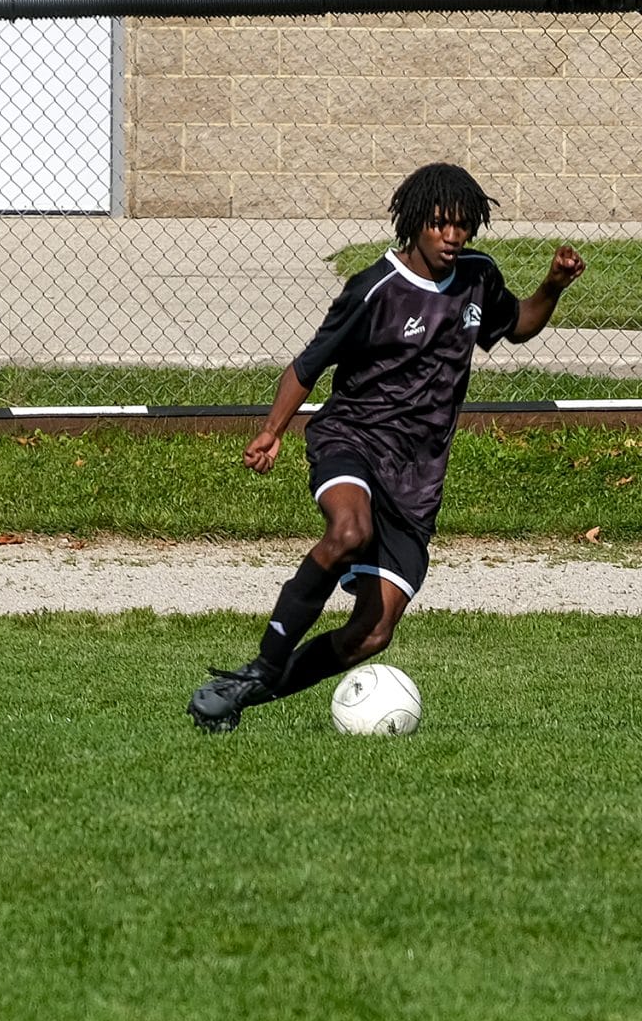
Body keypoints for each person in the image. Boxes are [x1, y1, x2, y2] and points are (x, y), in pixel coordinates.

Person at [188, 162, 586, 732]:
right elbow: (308, 365)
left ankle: (244, 696)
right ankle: (266, 660)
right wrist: (273, 429)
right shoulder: (375, 288)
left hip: (417, 477)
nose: (453, 238)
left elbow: (517, 324)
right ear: (416, 223)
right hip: (351, 438)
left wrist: (552, 285)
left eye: (464, 227)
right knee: (349, 532)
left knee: (373, 633)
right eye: (442, 225)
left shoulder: (477, 277)